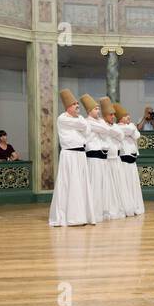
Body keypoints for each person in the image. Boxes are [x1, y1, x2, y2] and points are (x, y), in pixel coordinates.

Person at [50, 90, 96, 226]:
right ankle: (70, 216)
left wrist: (83, 124)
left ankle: (82, 215)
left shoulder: (79, 118)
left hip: (81, 155)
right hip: (69, 155)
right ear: (68, 106)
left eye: (77, 104)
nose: (77, 106)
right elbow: (83, 126)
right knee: (70, 184)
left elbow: (87, 130)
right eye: (74, 104)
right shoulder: (62, 118)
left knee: (81, 184)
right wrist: (83, 124)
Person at [82, 94, 120, 219]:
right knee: (95, 185)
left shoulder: (100, 122)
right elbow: (105, 130)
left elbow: (106, 131)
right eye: (95, 109)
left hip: (103, 157)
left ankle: (102, 211)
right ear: (89, 111)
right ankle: (93, 212)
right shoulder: (87, 122)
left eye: (98, 108)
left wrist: (103, 128)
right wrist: (103, 128)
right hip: (93, 157)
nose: (98, 111)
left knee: (104, 186)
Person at [101, 96, 133, 218]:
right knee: (108, 187)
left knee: (119, 186)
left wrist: (110, 132)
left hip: (116, 159)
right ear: (105, 116)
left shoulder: (114, 126)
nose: (113, 117)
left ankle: (119, 208)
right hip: (107, 160)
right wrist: (110, 132)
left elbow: (120, 135)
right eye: (110, 115)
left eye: (114, 115)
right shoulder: (102, 125)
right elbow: (106, 134)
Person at [114, 103, 145, 216]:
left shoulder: (130, 126)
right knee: (125, 184)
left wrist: (131, 130)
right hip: (124, 160)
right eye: (125, 116)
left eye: (128, 115)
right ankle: (127, 207)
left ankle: (135, 206)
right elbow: (127, 130)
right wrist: (131, 129)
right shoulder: (117, 127)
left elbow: (137, 135)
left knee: (133, 184)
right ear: (120, 118)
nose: (129, 117)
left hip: (132, 161)